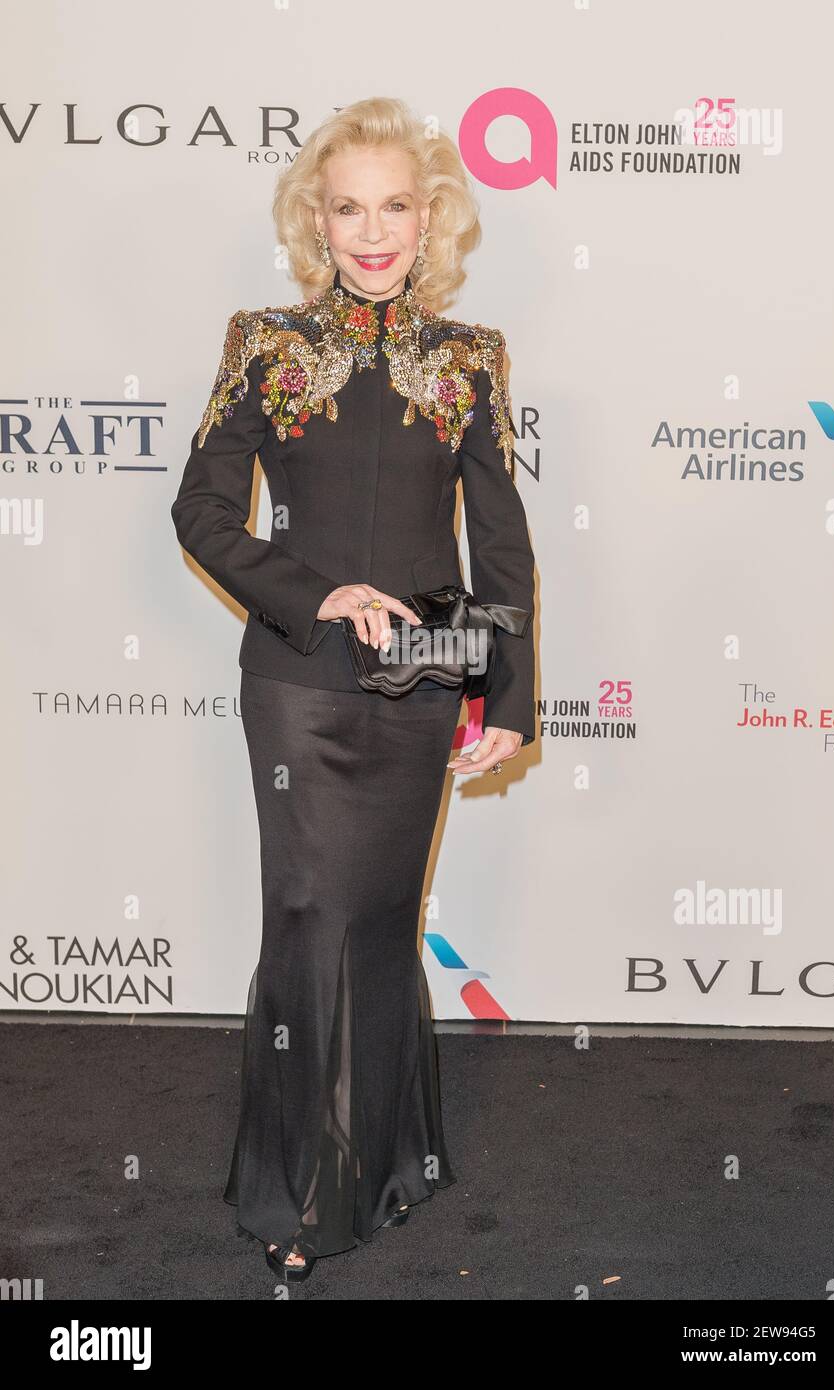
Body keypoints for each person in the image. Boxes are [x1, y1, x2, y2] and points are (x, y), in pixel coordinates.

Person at [170, 96, 536, 1284]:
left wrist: (508, 697)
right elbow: (203, 514)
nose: (370, 231)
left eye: (393, 206)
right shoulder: (264, 344)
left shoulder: (468, 359)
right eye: (346, 208)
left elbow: (503, 546)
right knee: (310, 920)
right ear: (313, 222)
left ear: (429, 218)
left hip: (423, 680)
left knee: (380, 926)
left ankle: (389, 1161)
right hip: (298, 685)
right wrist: (313, 592)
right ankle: (297, 1191)